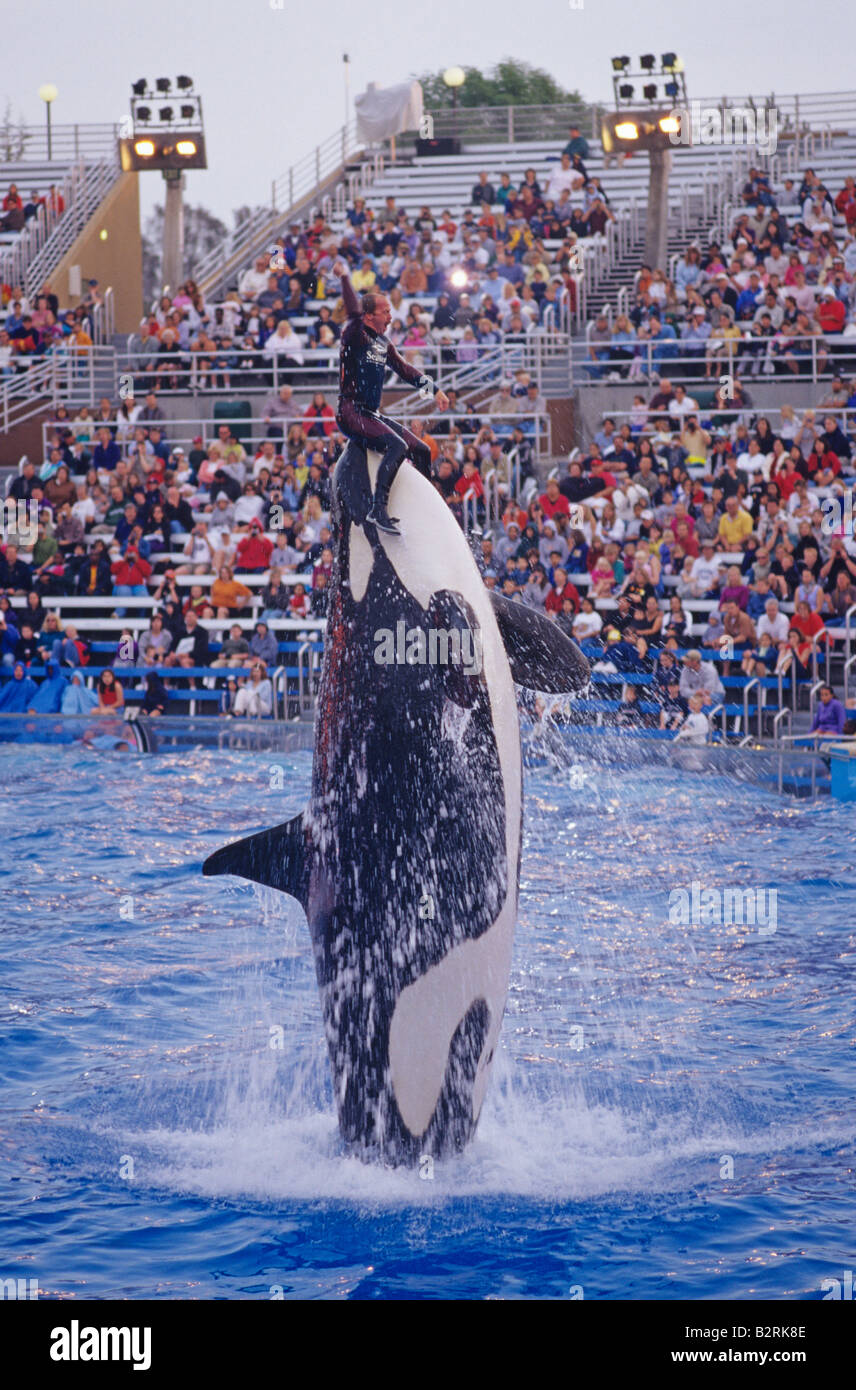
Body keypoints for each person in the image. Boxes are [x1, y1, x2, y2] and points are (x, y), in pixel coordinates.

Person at [331, 258, 450, 534]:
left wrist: (435, 390)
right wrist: (346, 278)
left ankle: (424, 505)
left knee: (420, 450)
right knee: (397, 446)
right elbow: (352, 312)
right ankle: (378, 509)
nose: (391, 316)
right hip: (351, 412)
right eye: (385, 312)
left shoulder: (384, 343)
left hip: (371, 413)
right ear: (369, 315)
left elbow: (406, 370)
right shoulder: (356, 333)